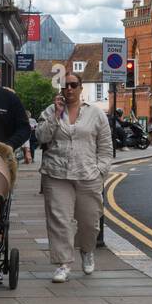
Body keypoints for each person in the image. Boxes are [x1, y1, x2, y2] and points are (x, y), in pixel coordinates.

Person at [34, 71, 113, 283]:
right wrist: (55, 115)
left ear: (80, 88)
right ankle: (64, 264)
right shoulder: (51, 111)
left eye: (73, 85)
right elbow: (41, 137)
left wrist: (101, 170)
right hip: (56, 173)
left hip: (88, 174)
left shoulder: (96, 114)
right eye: (65, 86)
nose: (68, 89)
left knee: (90, 221)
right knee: (60, 221)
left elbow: (105, 147)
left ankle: (87, 250)